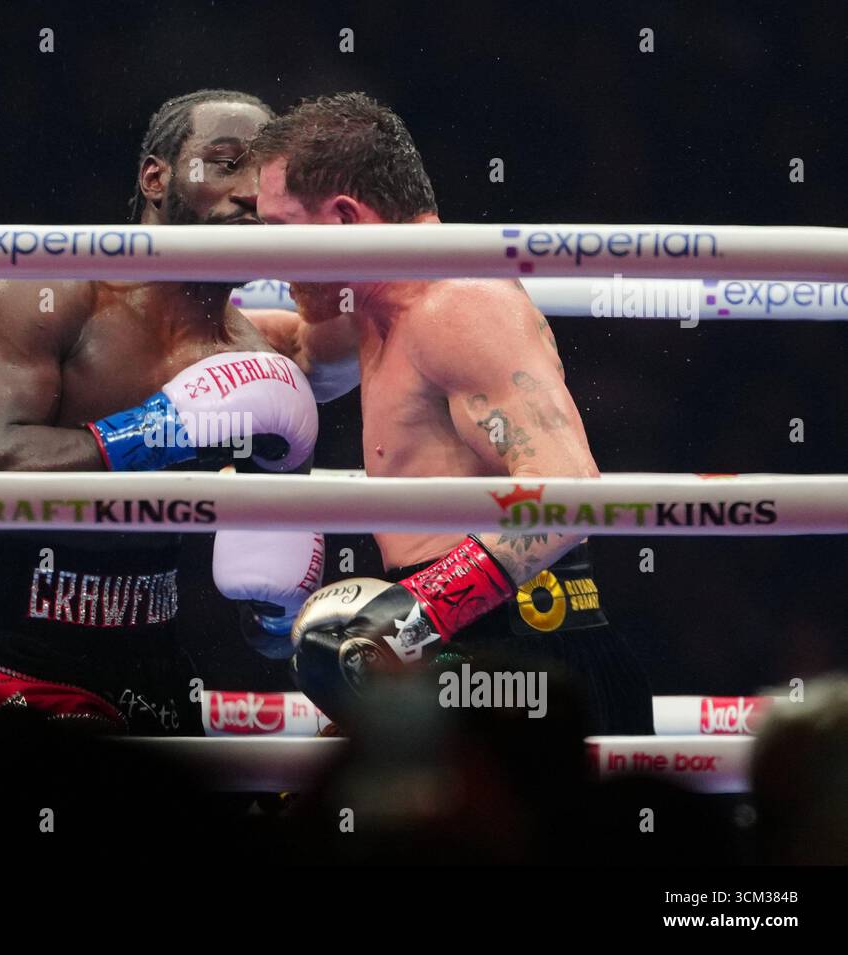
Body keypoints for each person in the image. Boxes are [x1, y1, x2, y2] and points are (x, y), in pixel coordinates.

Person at [0, 89, 350, 735]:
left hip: (153, 660)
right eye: (227, 163)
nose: (252, 191)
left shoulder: (255, 359)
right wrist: (156, 431)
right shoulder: (52, 289)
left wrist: (279, 615)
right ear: (156, 177)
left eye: (270, 176)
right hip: (7, 651)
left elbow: (264, 628)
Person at [250, 92, 655, 735]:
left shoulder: (457, 305)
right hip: (455, 647)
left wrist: (410, 619)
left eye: (277, 231)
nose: (263, 259)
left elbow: (571, 494)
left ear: (347, 219)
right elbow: (295, 346)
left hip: (523, 651)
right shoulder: (371, 304)